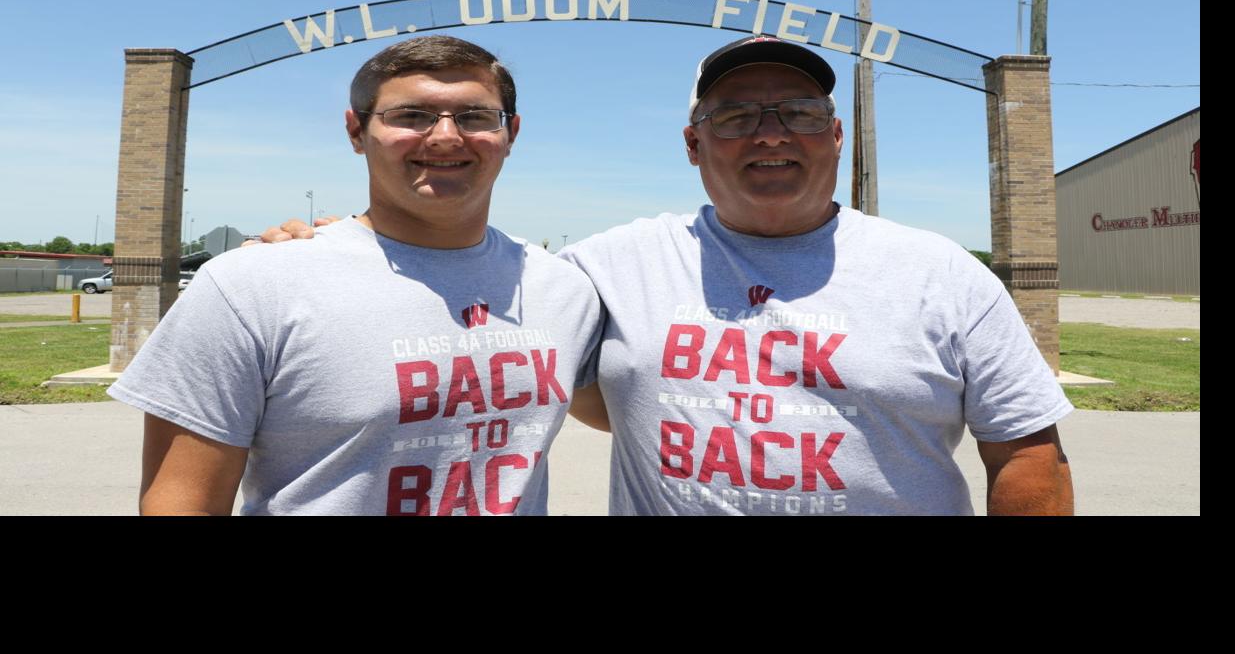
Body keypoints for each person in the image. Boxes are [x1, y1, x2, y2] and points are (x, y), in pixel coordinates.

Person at [264, 35, 1074, 515]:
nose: (768, 134)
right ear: (693, 144)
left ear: (833, 136)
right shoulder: (605, 266)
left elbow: (1028, 456)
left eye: (794, 113)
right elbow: (467, 290)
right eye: (735, 117)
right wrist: (345, 245)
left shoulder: (940, 274)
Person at [109, 36, 603, 515]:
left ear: (510, 133)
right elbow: (181, 501)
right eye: (411, 116)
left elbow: (645, 403)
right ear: (355, 131)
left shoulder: (562, 289)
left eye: (475, 117)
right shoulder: (250, 286)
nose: (446, 135)